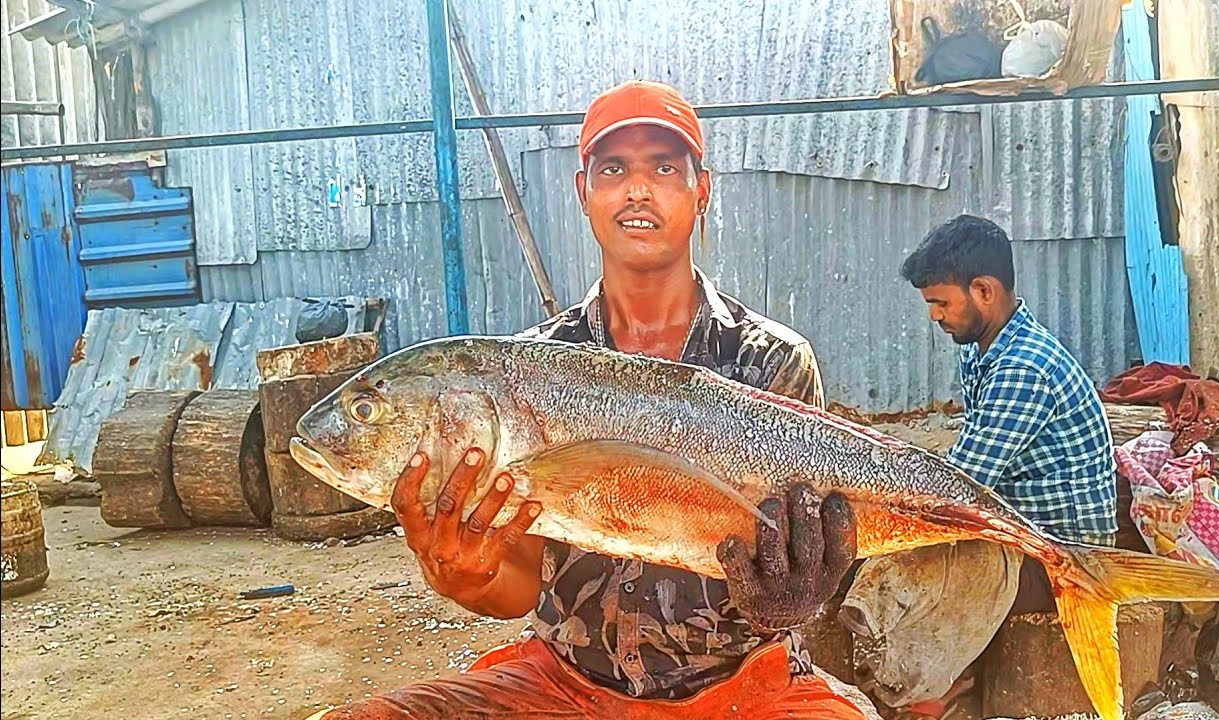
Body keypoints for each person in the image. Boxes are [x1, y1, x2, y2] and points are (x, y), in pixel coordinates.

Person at [313, 81, 873, 720]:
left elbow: (801, 543)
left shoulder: (769, 360)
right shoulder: (526, 370)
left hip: (744, 688)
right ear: (584, 193)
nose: (638, 190)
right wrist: (466, 574)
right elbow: (522, 582)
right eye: (613, 170)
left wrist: (787, 600)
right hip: (562, 685)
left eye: (664, 168)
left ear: (702, 190)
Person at [840, 214, 1118, 719]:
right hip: (1020, 529)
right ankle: (909, 646)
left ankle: (930, 686)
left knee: (933, 543)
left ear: (984, 291)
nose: (935, 316)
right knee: (906, 530)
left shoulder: (1023, 367)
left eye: (941, 303)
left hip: (1064, 556)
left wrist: (878, 507)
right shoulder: (984, 348)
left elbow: (958, 486)